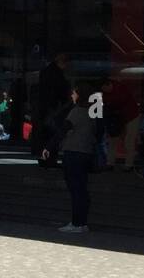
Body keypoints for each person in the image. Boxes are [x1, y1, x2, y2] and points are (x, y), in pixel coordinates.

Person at [43, 86, 101, 233]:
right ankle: (82, 222)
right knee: (82, 189)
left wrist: (49, 147)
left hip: (74, 152)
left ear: (80, 95)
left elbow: (63, 129)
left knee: (75, 189)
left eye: (74, 93)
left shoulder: (77, 111)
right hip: (86, 152)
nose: (72, 96)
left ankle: (77, 223)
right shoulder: (93, 112)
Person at [33, 51, 71, 166]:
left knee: (45, 134)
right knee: (52, 134)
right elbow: (60, 91)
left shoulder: (46, 72)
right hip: (52, 108)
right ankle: (49, 158)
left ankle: (44, 157)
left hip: (44, 108)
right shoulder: (57, 75)